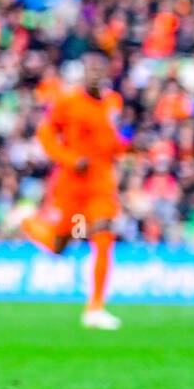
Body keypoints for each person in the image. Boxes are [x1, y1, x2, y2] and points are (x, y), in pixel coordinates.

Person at [22, 53, 128, 329]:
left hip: (101, 183)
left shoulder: (112, 103)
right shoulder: (67, 102)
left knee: (104, 235)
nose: (94, 75)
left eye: (99, 70)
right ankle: (27, 223)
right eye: (89, 70)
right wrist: (69, 159)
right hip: (71, 184)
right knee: (58, 246)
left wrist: (128, 148)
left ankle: (95, 307)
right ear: (82, 74)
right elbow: (46, 135)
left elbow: (112, 142)